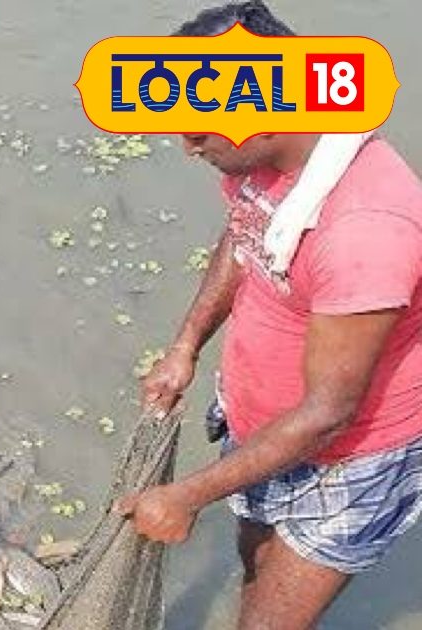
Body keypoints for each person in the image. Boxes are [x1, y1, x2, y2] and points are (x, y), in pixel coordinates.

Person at [116, 1, 422, 627]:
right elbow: (246, 228)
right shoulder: (266, 158)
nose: (185, 145)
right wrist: (187, 345)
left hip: (349, 460)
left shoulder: (366, 229)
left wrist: (188, 493)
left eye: (197, 127)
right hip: (258, 421)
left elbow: (328, 413)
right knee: (254, 556)